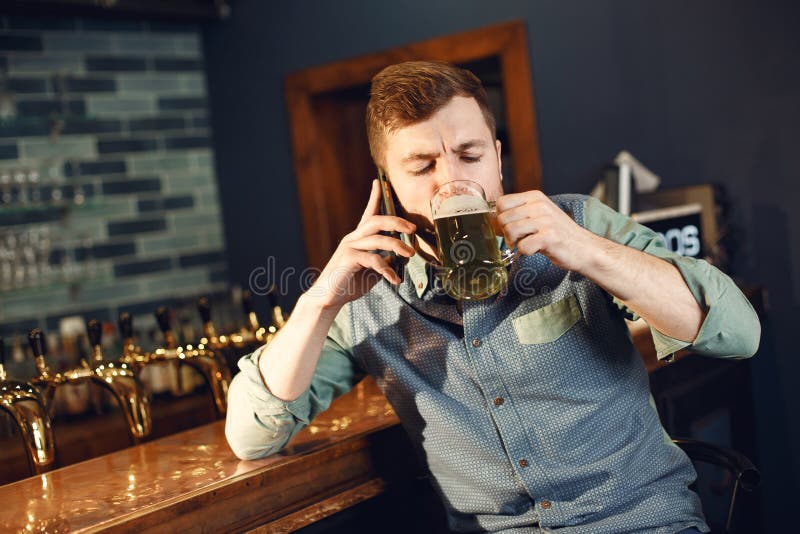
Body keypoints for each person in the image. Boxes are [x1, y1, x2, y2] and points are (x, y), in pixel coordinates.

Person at [225, 61, 760, 533]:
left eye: (468, 155)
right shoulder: (368, 293)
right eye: (422, 167)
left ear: (496, 158)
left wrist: (585, 251)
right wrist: (321, 300)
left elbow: (739, 333)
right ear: (386, 183)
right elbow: (252, 435)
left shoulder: (576, 225)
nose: (452, 181)